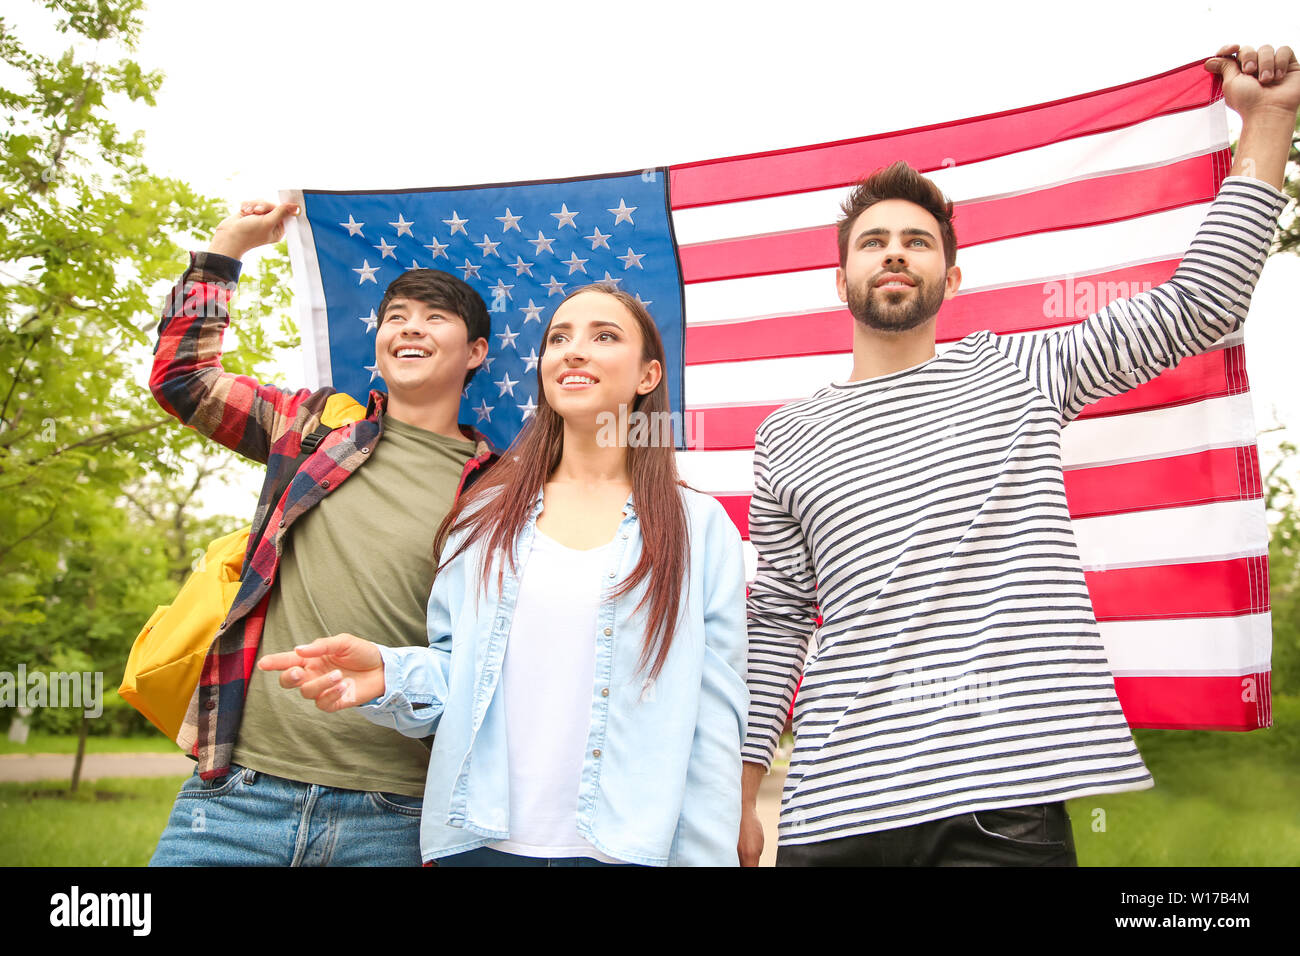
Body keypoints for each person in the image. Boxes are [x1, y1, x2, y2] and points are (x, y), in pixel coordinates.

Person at [738, 43, 1299, 866]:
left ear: (952, 278)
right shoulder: (784, 435)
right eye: (873, 241)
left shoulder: (1021, 370)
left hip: (1002, 802)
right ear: (841, 280)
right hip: (835, 807)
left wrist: (1270, 122)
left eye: (917, 242)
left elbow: (1201, 305)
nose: (894, 252)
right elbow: (779, 616)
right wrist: (746, 784)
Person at [261, 283, 749, 866]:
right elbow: (458, 676)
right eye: (559, 339)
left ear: (647, 376)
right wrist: (388, 675)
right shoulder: (484, 513)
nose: (574, 350)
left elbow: (716, 720)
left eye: (604, 337)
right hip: (478, 844)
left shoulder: (698, 525)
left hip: (629, 850)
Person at [148, 200, 498, 866]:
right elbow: (184, 380)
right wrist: (227, 249)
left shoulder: (503, 491)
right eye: (395, 317)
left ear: (475, 351)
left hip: (396, 814)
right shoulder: (311, 429)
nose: (409, 328)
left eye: (433, 317)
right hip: (235, 797)